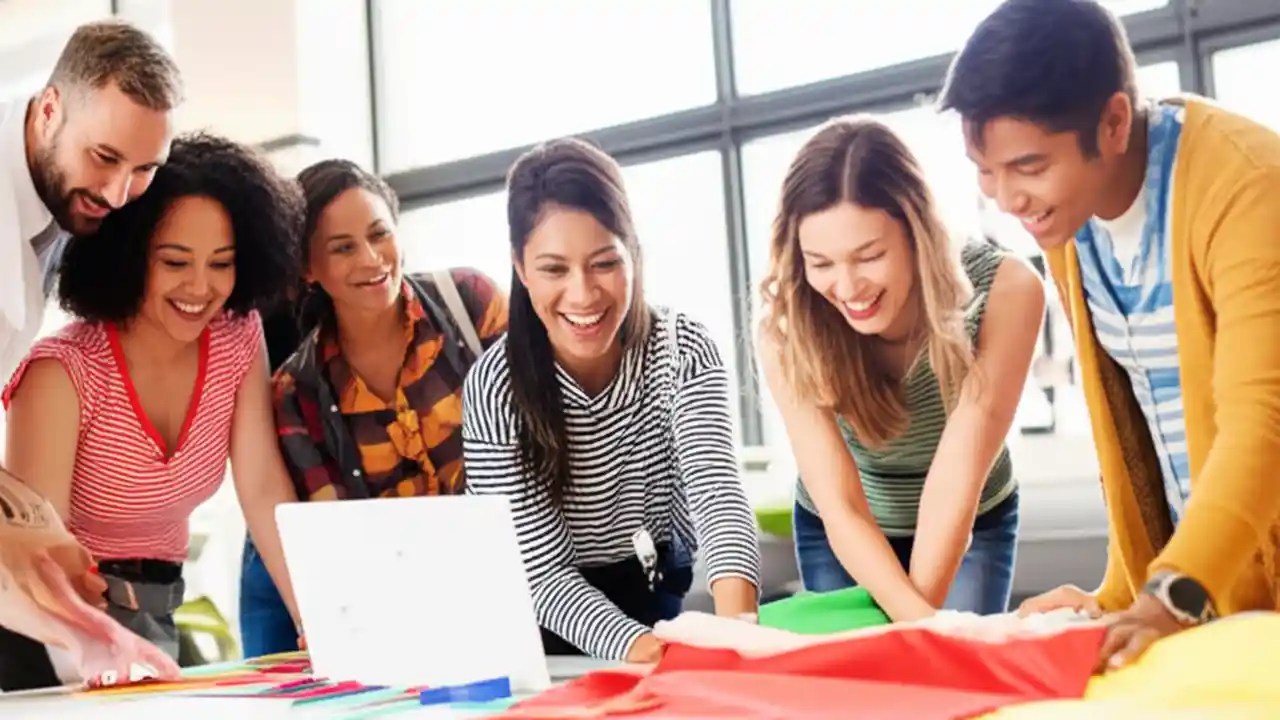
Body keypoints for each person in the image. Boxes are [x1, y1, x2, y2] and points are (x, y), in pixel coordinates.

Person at [941, 0, 1280, 670]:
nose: (1008, 200)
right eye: (987, 172)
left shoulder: (1246, 185)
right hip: (1224, 596)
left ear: (1115, 122)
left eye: (1030, 166)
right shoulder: (1071, 222)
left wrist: (1169, 596)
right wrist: (1120, 596)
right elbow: (1140, 429)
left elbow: (1261, 422)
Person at [1, 132, 302, 689]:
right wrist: (92, 637)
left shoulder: (238, 338)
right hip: (45, 637)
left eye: (222, 263)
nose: (200, 287)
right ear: (130, 256)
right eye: (175, 261)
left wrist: (313, 617)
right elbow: (38, 558)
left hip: (155, 614)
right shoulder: (60, 372)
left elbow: (261, 486)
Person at [462, 138, 761, 663]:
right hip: (535, 611)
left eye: (604, 263)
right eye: (554, 269)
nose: (582, 295)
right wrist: (654, 654)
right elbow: (541, 575)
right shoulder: (495, 385)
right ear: (520, 266)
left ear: (634, 254)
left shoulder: (683, 348)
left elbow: (719, 499)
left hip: (649, 581)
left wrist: (738, 637)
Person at [755, 116, 1044, 621]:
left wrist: (919, 626)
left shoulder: (1007, 289)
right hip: (842, 526)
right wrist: (916, 625)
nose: (846, 288)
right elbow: (841, 504)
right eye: (820, 263)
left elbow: (956, 478)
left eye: (868, 256)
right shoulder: (787, 325)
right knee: (860, 688)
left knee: (948, 679)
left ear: (918, 233)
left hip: (967, 511)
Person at [241, 159, 509, 657]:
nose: (371, 259)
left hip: (512, 589)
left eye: (379, 234)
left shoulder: (471, 303)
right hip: (401, 607)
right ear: (308, 268)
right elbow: (344, 540)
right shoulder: (294, 393)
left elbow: (538, 437)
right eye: (342, 248)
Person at [0, 19, 182, 688]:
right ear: (49, 110)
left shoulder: (52, 205)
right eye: (103, 158)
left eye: (143, 170)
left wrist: (75, 624)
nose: (116, 193)